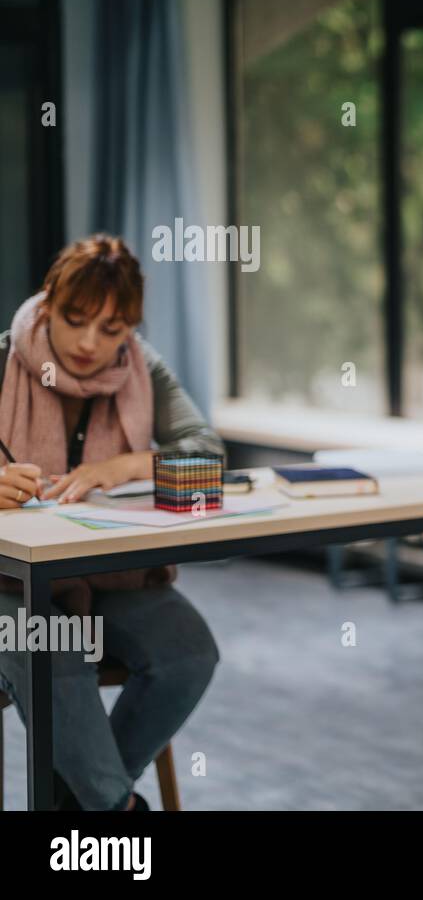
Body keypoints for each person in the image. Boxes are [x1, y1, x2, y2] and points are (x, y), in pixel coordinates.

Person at [0, 234, 222, 810]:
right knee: (51, 648)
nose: (91, 344)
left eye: (113, 329)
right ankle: (116, 812)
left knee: (188, 651)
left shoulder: (141, 367)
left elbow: (209, 460)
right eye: (76, 321)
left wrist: (122, 465)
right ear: (47, 304)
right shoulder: (2, 360)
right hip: (7, 587)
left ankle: (80, 805)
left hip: (105, 575)